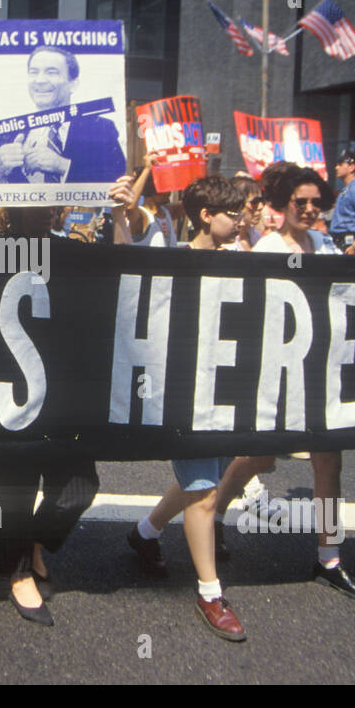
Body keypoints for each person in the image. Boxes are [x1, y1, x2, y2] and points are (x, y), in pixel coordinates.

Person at [0, 174, 134, 626]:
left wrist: (120, 214)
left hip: (65, 397)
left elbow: (122, 271)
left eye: (53, 199)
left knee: (78, 488)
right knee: (14, 497)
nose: (47, 206)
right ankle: (18, 571)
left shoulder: (70, 249)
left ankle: (34, 544)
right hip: (5, 396)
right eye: (36, 198)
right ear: (12, 203)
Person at [212, 163, 355, 601]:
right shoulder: (268, 244)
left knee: (329, 462)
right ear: (282, 205)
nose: (307, 209)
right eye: (299, 202)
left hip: (319, 371)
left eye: (315, 203)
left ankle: (330, 559)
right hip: (277, 371)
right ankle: (213, 517)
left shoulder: (322, 244)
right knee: (258, 458)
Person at [126, 175, 248, 641]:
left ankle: (144, 532)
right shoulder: (171, 256)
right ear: (204, 216)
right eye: (232, 214)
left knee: (205, 479)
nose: (240, 221)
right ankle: (210, 593)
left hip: (222, 389)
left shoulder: (242, 261)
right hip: (183, 391)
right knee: (205, 493)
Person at [0, 45, 126, 185]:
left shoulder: (101, 129)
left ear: (73, 84)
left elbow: (116, 186)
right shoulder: (5, 133)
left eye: (51, 72)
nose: (40, 80)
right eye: (34, 72)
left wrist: (63, 166)